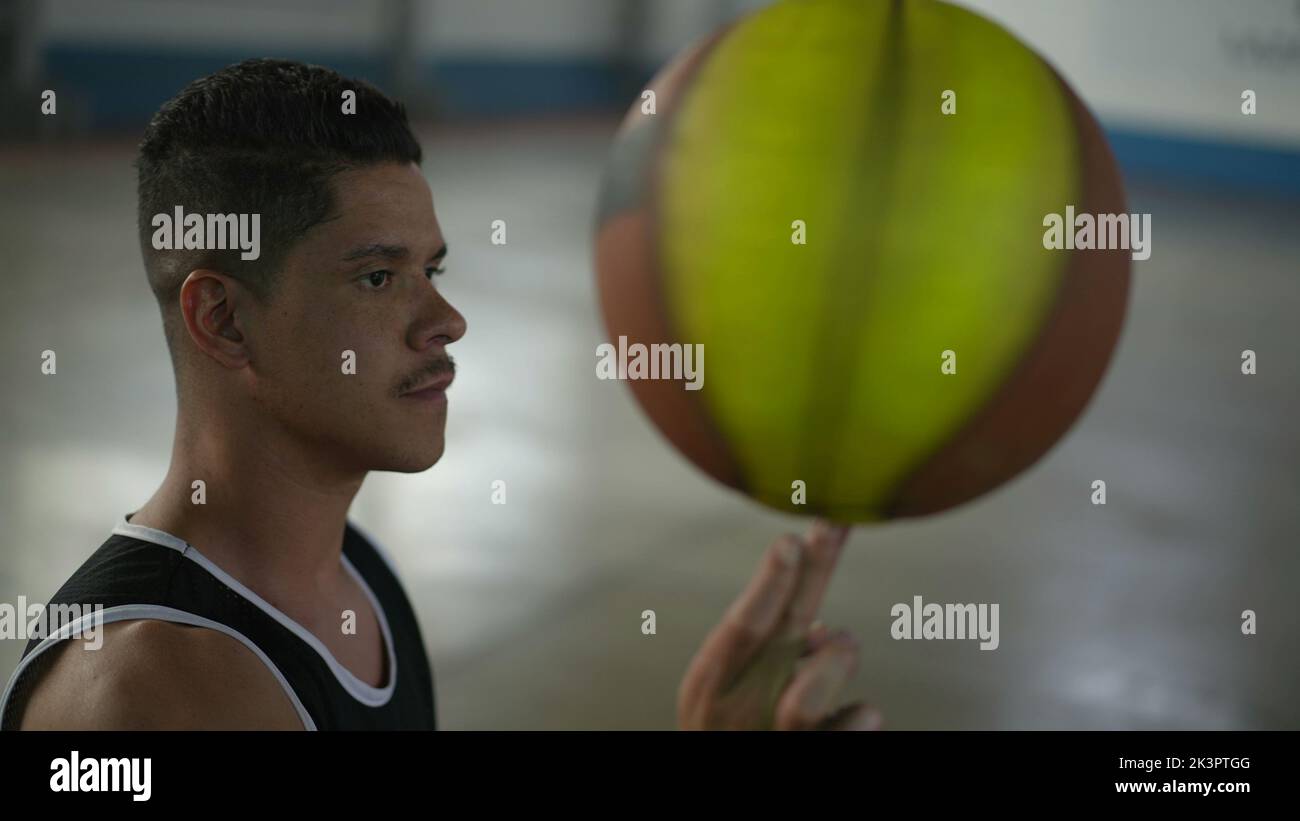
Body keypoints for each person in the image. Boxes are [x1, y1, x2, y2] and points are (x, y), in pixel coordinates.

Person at [0, 59, 876, 731]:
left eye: (433, 268)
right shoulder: (153, 686)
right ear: (224, 320)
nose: (446, 320)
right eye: (379, 277)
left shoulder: (362, 579)